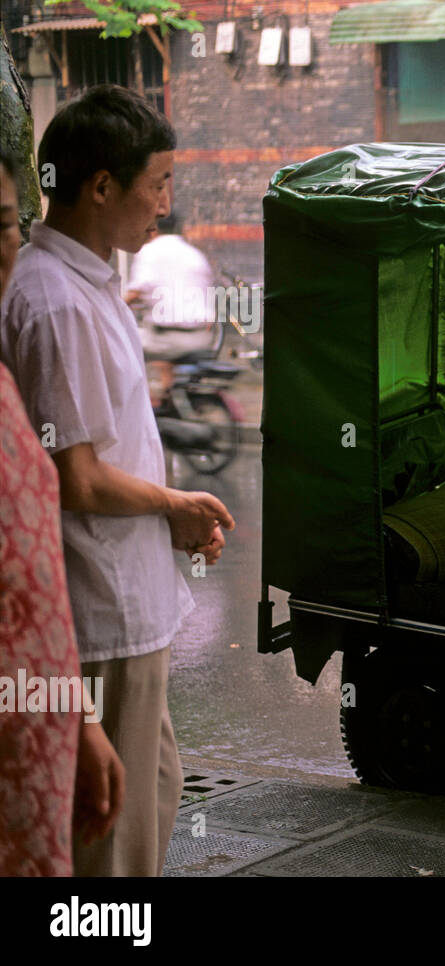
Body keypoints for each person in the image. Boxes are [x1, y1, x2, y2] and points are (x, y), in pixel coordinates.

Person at [0, 85, 235, 876]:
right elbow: (80, 478)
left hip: (130, 598)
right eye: (157, 183)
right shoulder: (53, 301)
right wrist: (174, 503)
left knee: (152, 795)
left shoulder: (92, 281)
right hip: (98, 606)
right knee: (110, 839)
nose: (167, 204)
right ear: (101, 186)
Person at [0, 151, 127, 876]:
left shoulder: (3, 392)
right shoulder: (52, 302)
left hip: (33, 758)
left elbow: (30, 592)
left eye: (2, 224)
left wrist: (77, 722)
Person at [125, 212, 217, 408]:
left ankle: (142, 404)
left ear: (153, 228)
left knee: (123, 346)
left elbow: (136, 290)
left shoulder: (150, 252)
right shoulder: (195, 254)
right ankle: (168, 396)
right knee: (159, 342)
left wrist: (112, 307)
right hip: (202, 337)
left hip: (170, 338)